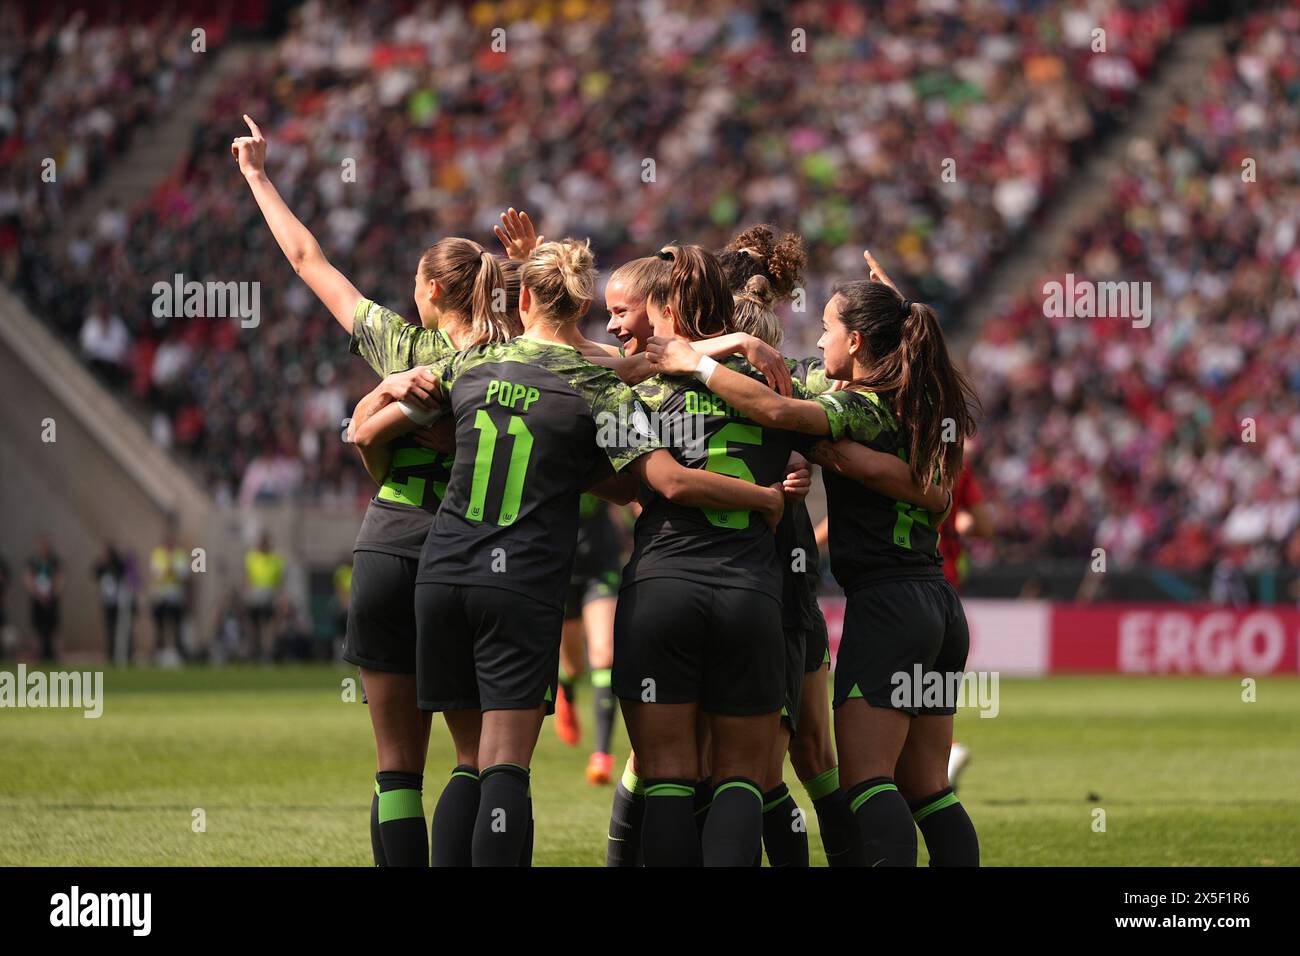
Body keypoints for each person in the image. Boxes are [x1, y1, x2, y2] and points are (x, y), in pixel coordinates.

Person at [355, 238, 791, 866]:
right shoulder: (597, 386)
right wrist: (734, 350)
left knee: (462, 761)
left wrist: (385, 393)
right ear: (584, 306)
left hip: (441, 569)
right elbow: (640, 474)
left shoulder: (477, 362)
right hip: (521, 579)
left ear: (523, 297)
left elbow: (367, 433)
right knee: (503, 763)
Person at [232, 113, 520, 866]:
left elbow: (307, 260)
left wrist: (259, 175)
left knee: (396, 765)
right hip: (464, 554)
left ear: (428, 291)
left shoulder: (405, 348)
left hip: (387, 548)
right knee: (472, 757)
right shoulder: (508, 359)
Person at [649, 268, 981, 867]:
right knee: (929, 787)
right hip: (937, 604)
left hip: (888, 606)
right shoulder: (921, 398)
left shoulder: (858, 406)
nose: (818, 341)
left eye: (827, 328)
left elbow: (778, 412)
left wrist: (696, 363)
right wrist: (746, 343)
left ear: (856, 341)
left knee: (867, 779)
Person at [244, 531, 285, 662]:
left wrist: (279, 597)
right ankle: (255, 652)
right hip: (255, 596)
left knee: (269, 627)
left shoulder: (276, 559)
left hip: (269, 595)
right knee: (254, 627)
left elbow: (280, 581)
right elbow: (247, 578)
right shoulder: (251, 557)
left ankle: (268, 654)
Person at [149, 529, 188, 662]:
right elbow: (156, 572)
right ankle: (159, 652)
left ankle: (177, 653)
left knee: (176, 624)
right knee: (160, 625)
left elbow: (184, 573)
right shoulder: (158, 554)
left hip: (175, 595)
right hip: (161, 594)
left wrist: (172, 570)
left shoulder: (180, 554)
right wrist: (169, 570)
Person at [24, 537, 62, 662]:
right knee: (37, 627)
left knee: (53, 627)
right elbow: (28, 577)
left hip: (51, 598)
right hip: (37, 598)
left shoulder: (54, 561)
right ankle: (37, 654)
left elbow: (60, 577)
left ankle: (54, 654)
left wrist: (52, 593)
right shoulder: (33, 561)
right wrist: (37, 594)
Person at [93, 544, 129, 663]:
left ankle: (123, 654)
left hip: (117, 601)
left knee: (120, 629)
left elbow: (124, 572)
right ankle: (110, 655)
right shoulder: (102, 566)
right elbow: (95, 572)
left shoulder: (117, 565)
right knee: (109, 629)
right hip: (106, 601)